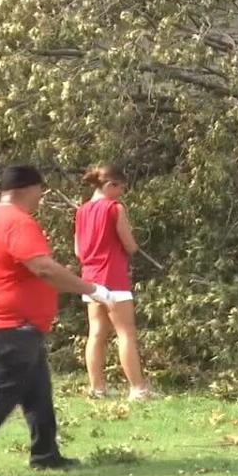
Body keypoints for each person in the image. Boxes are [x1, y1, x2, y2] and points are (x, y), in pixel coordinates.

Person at [0, 165, 114, 476]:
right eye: (40, 190)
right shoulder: (16, 222)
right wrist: (93, 288)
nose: (41, 196)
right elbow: (43, 268)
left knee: (37, 391)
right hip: (12, 324)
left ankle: (45, 454)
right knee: (0, 395)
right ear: (29, 189)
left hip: (2, 321)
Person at [75, 165, 153, 401]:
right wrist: (132, 246)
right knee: (125, 333)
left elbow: (78, 250)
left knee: (96, 333)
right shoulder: (114, 208)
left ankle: (97, 388)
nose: (122, 194)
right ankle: (138, 389)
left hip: (89, 277)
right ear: (110, 185)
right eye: (121, 188)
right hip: (113, 277)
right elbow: (129, 245)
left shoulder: (82, 211)